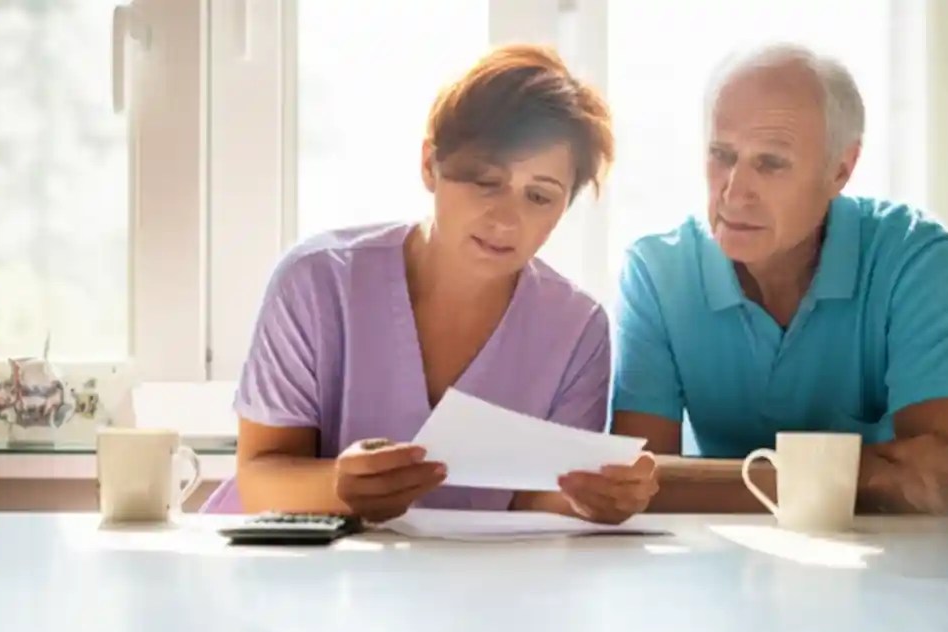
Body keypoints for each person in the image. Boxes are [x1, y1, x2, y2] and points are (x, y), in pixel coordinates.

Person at [203, 45, 657, 523]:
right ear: (429, 165)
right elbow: (259, 477)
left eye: (540, 196)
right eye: (485, 181)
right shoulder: (317, 282)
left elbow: (535, 500)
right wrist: (340, 487)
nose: (506, 219)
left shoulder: (577, 328)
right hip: (306, 575)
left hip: (479, 585)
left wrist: (599, 497)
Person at [611, 43, 948, 515]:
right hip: (714, 566)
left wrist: (722, 481)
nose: (734, 191)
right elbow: (638, 485)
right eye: (721, 154)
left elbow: (940, 482)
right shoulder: (656, 272)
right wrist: (870, 472)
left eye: (770, 162)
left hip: (884, 564)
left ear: (840, 169)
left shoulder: (912, 255)